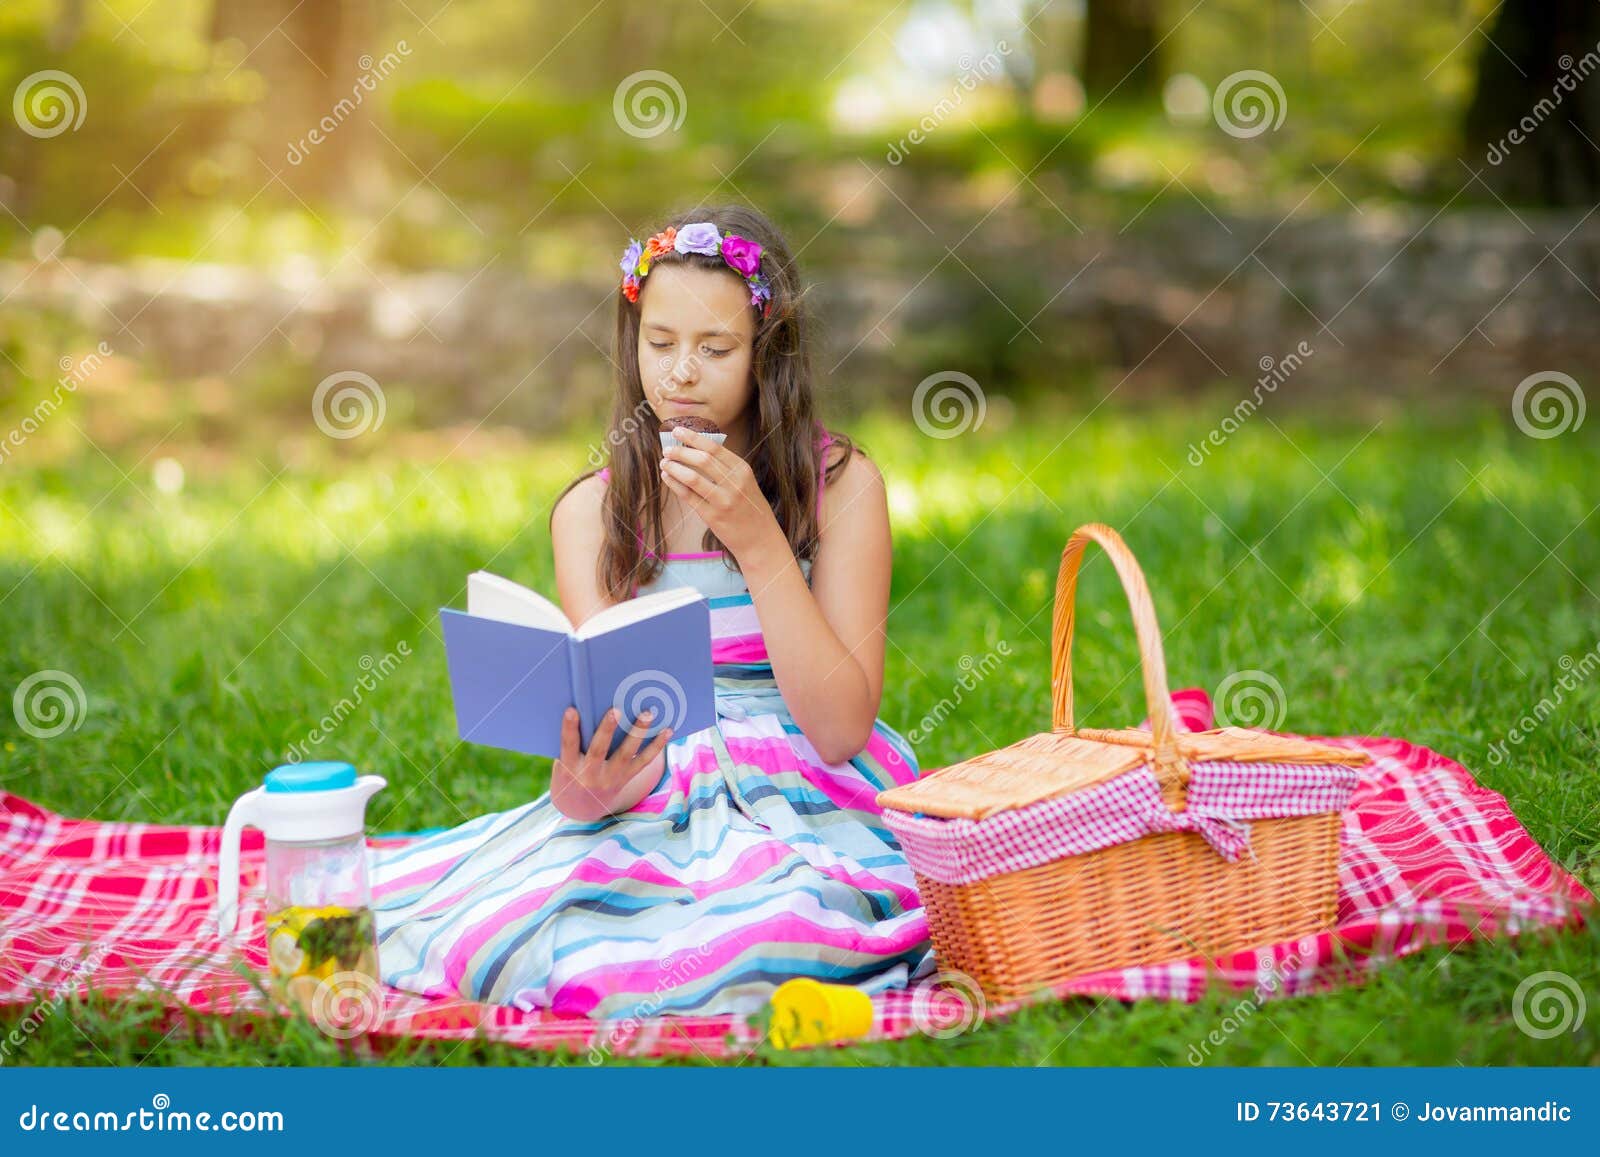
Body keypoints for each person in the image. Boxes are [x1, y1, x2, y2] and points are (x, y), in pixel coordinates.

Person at [369, 204, 933, 1019]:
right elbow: (615, 745)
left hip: (810, 791)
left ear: (767, 354)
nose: (680, 375)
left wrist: (763, 542)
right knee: (548, 937)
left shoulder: (840, 485)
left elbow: (841, 727)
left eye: (716, 348)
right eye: (659, 343)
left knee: (783, 931)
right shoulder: (591, 515)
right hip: (659, 798)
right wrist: (582, 785)